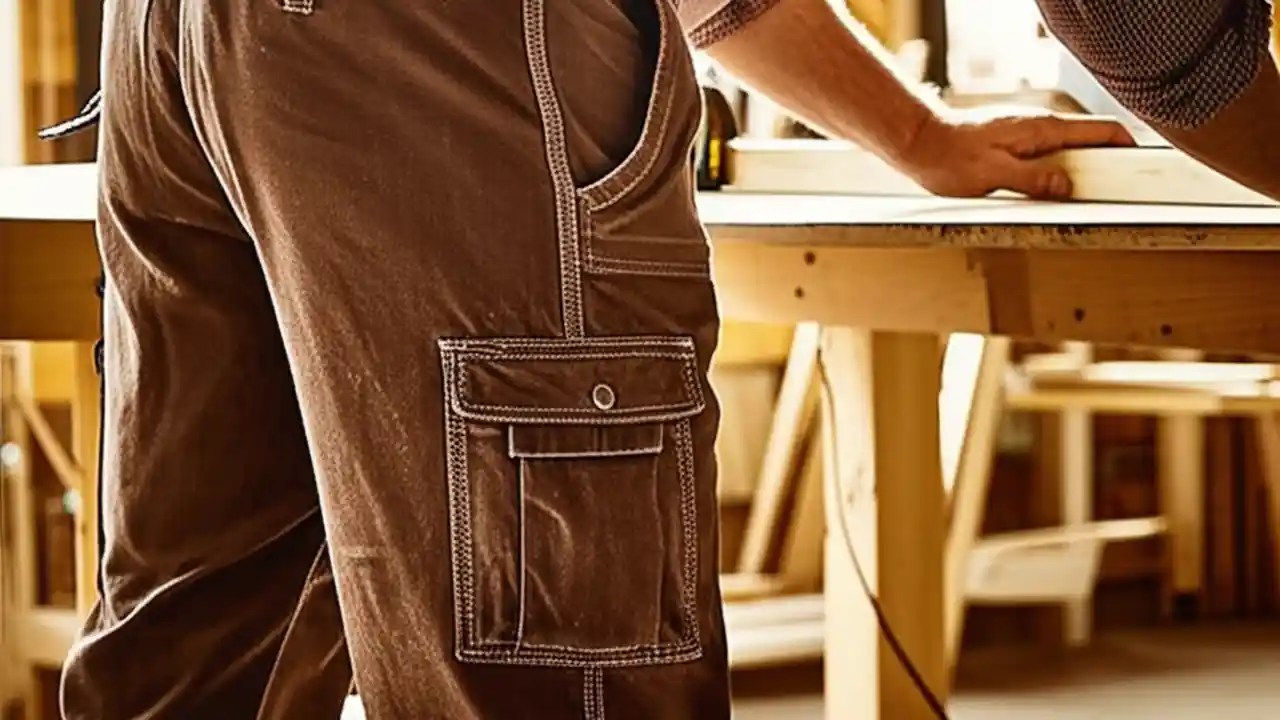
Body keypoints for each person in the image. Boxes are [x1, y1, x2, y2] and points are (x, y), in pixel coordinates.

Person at [56, 1, 1273, 719]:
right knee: (554, 668)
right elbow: (1149, 23)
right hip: (445, 37)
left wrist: (913, 135)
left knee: (204, 642)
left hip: (176, 36)